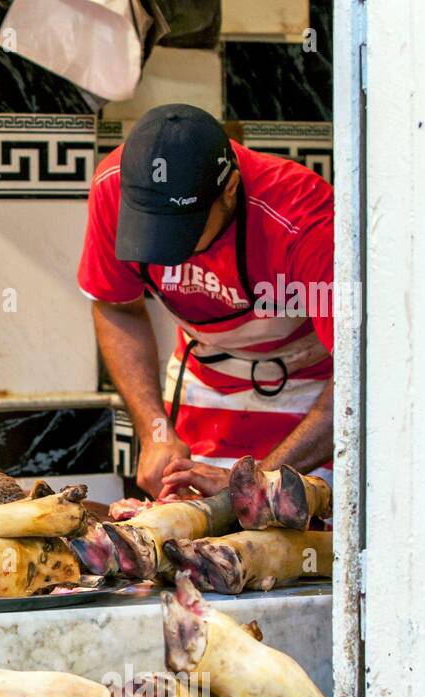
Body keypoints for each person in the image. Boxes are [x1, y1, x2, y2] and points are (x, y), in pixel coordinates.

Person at [79, 104, 334, 498]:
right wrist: (154, 432)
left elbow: (362, 375)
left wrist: (253, 484)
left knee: (299, 535)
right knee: (195, 541)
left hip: (312, 391)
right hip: (204, 377)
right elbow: (116, 305)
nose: (170, 249)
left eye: (184, 231)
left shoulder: (303, 218)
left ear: (230, 188)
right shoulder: (115, 186)